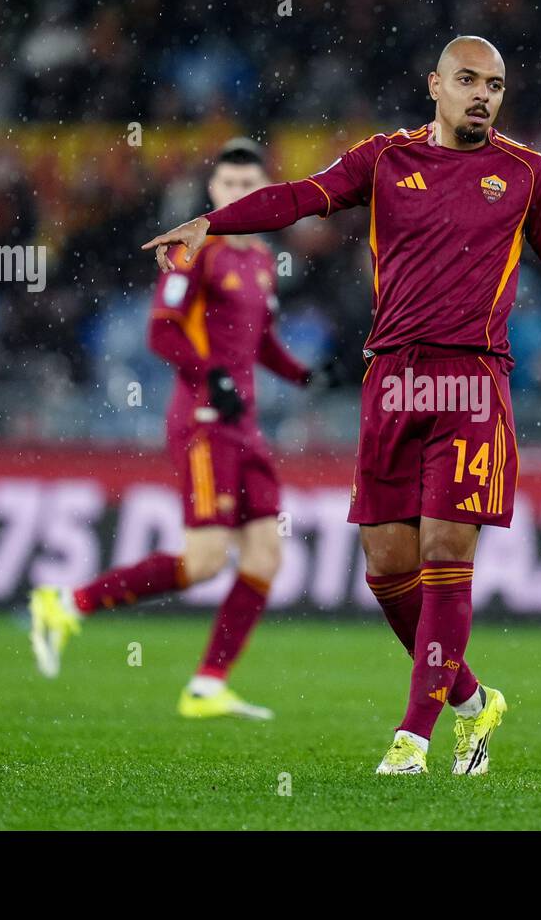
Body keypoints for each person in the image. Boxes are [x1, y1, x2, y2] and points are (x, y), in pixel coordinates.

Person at [141, 37, 541, 773]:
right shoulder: (384, 161)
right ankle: (474, 702)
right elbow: (298, 197)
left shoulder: (528, 175)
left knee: (446, 550)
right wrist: (212, 225)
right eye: (468, 80)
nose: (482, 94)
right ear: (435, 84)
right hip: (393, 384)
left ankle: (413, 737)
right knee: (386, 568)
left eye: (496, 84)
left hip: (473, 385)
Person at [29, 139, 335, 720]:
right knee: (204, 561)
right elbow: (161, 333)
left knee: (266, 555)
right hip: (201, 422)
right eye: (228, 186)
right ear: (213, 193)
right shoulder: (196, 252)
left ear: (265, 194)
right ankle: (67, 602)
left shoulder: (263, 261)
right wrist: (211, 376)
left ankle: (207, 684)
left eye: (251, 186)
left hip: (244, 424)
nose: (239, 194)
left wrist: (305, 375)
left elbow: (261, 341)